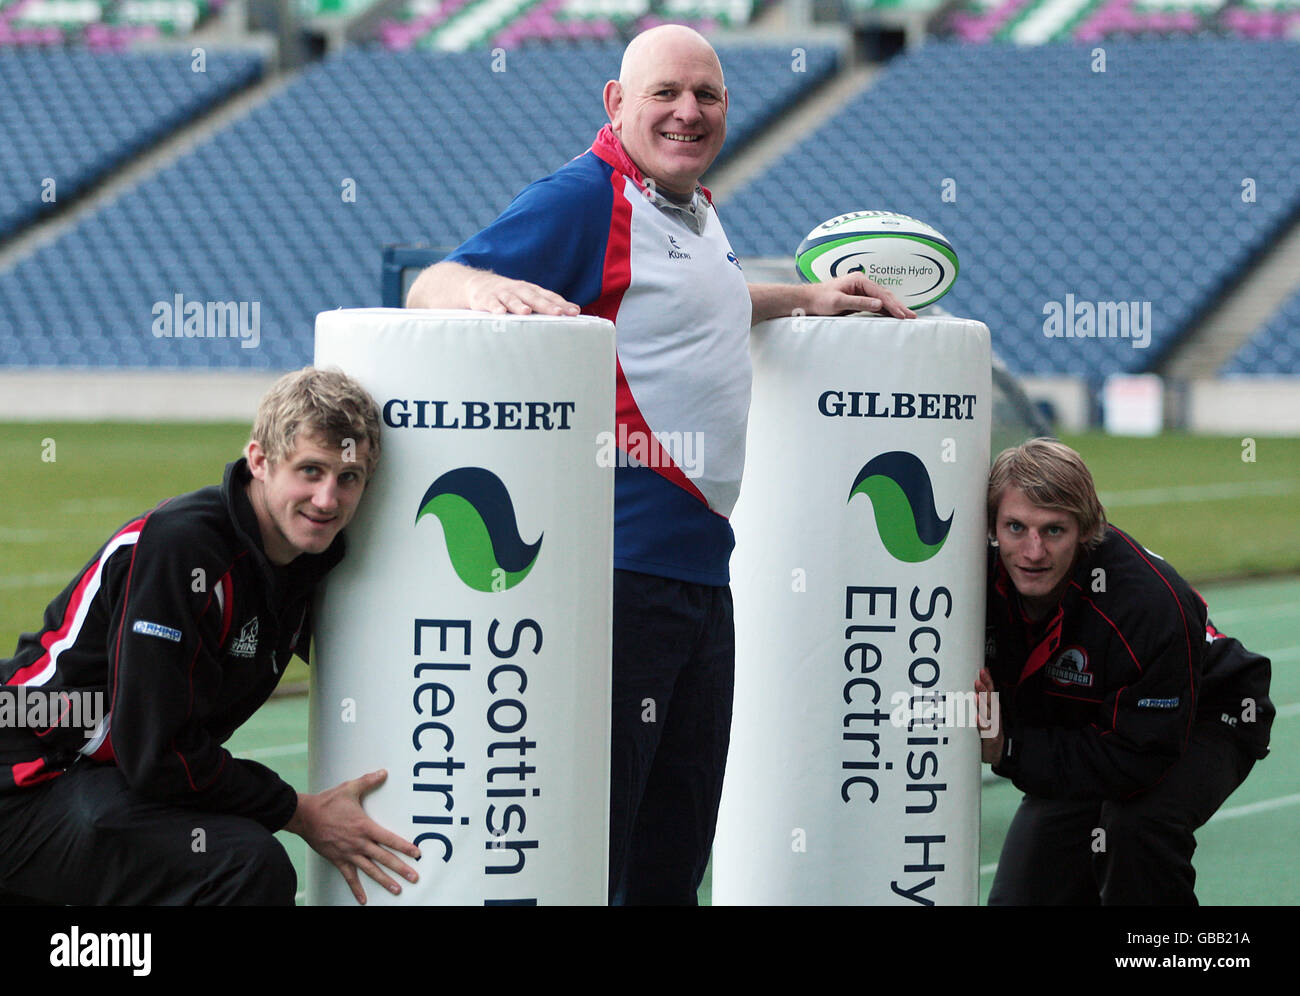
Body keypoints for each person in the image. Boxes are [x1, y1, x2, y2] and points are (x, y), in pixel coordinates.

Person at [406, 24, 916, 904]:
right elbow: (432, 282)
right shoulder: (584, 196)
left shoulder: (686, 209)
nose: (689, 111)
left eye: (707, 95)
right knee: (609, 847)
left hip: (697, 573)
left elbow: (687, 307)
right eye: (665, 94)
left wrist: (804, 298)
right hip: (622, 574)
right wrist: (475, 288)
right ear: (615, 103)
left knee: (674, 846)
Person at [0, 367, 421, 905]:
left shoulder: (306, 560)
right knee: (245, 865)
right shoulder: (184, 551)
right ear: (260, 461)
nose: (326, 499)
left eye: (349, 477)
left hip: (97, 777)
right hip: (28, 779)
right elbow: (157, 754)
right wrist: (299, 811)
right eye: (310, 471)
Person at [976, 438, 1273, 905]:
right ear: (991, 526)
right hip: (1089, 727)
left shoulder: (1147, 605)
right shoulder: (970, 577)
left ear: (1086, 529)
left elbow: (1137, 758)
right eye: (1016, 527)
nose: (1032, 552)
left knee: (1135, 831)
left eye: (1054, 531)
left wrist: (1009, 747)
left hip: (1206, 714)